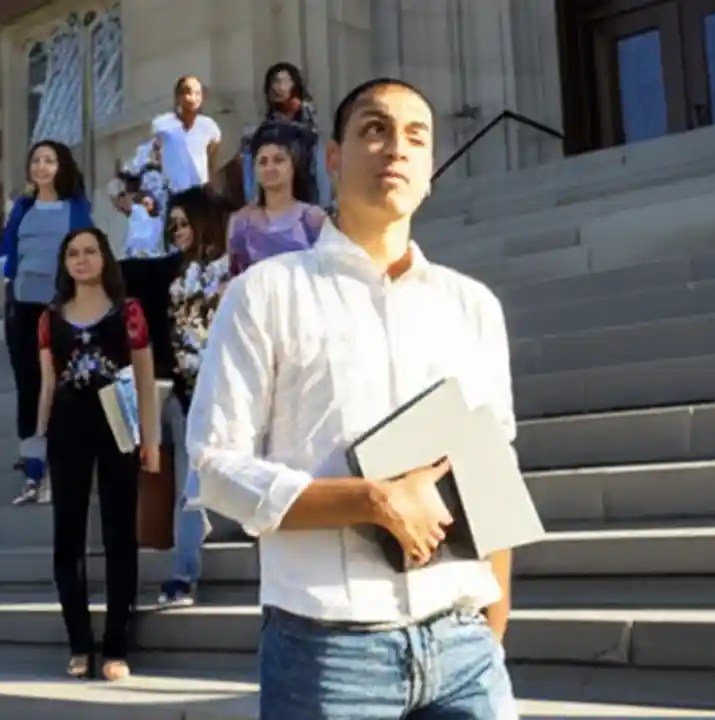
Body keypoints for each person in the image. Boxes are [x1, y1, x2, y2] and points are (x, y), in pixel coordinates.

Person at [186, 78, 518, 718]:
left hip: (464, 649)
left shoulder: (471, 305)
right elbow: (214, 467)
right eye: (374, 129)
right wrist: (371, 501)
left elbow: (491, 478)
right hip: (329, 655)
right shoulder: (266, 293)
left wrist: (492, 636)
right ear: (333, 158)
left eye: (415, 137)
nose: (395, 147)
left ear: (429, 170)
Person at [34, 226, 160, 682]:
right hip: (67, 427)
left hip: (118, 426)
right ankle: (79, 643)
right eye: (73, 253)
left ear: (105, 257)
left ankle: (116, 646)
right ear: (65, 263)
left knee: (119, 535)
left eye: (90, 251)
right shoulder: (50, 317)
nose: (82, 260)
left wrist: (152, 440)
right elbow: (48, 384)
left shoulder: (128, 312)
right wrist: (37, 441)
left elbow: (145, 379)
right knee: (67, 538)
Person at [0, 140, 94, 505]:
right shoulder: (22, 207)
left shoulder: (76, 208)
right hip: (22, 308)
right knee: (28, 387)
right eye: (36, 160)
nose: (42, 166)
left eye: (49, 160)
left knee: (60, 388)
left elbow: (88, 253)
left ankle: (58, 468)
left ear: (61, 166)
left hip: (59, 308)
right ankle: (33, 471)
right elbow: (6, 250)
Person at [156, 187, 231, 607]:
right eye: (173, 225)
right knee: (189, 487)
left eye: (185, 223)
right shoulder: (179, 275)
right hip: (190, 392)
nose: (178, 231)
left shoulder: (230, 271)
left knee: (198, 484)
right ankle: (184, 574)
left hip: (228, 387)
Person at [226, 122, 328, 277]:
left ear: (294, 165)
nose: (270, 168)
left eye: (278, 160)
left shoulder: (313, 218)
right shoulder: (241, 222)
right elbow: (235, 276)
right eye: (263, 162)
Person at [241, 62, 328, 206]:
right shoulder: (262, 131)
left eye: (284, 81)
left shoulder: (308, 127)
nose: (278, 87)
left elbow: (319, 168)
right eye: (275, 81)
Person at [151, 75, 222, 191]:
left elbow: (212, 160)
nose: (193, 98)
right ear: (178, 97)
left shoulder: (209, 126)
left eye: (198, 93)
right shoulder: (162, 125)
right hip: (173, 192)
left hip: (200, 192)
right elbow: (155, 155)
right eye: (188, 93)